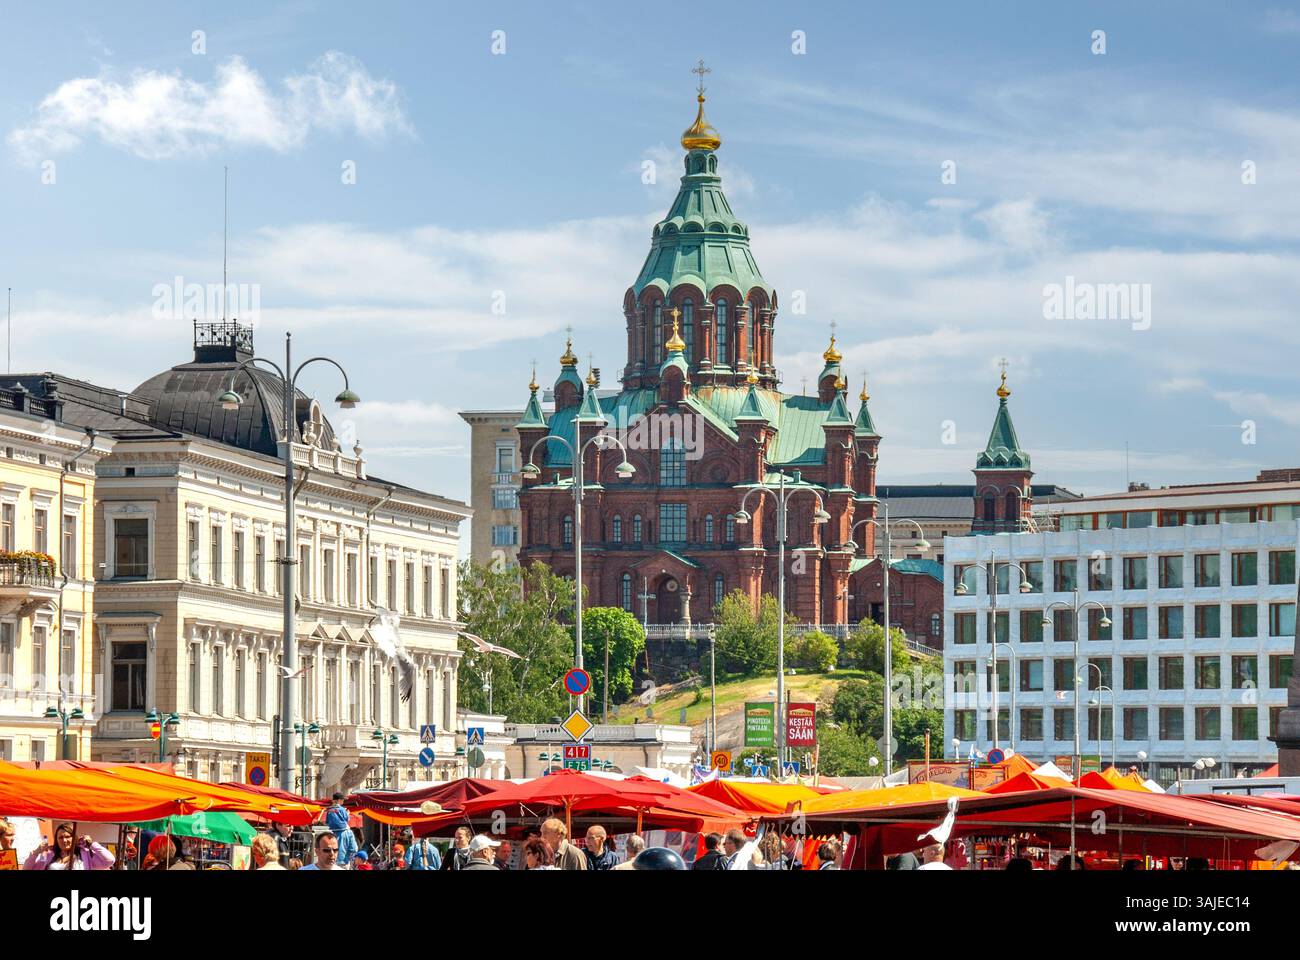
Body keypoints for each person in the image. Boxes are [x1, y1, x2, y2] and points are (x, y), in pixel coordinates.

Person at [23, 822, 114, 871]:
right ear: (56, 840)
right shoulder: (47, 855)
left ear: (74, 838)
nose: (64, 840)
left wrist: (91, 844)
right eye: (60, 837)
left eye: (67, 836)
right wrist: (36, 852)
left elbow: (109, 860)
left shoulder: (84, 854)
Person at [325, 793, 358, 866]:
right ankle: (345, 861)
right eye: (343, 800)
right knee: (352, 848)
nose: (343, 802)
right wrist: (348, 814)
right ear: (339, 800)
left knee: (337, 848)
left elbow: (327, 822)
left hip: (333, 832)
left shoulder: (329, 810)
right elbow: (347, 819)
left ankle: (339, 861)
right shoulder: (343, 809)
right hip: (344, 831)